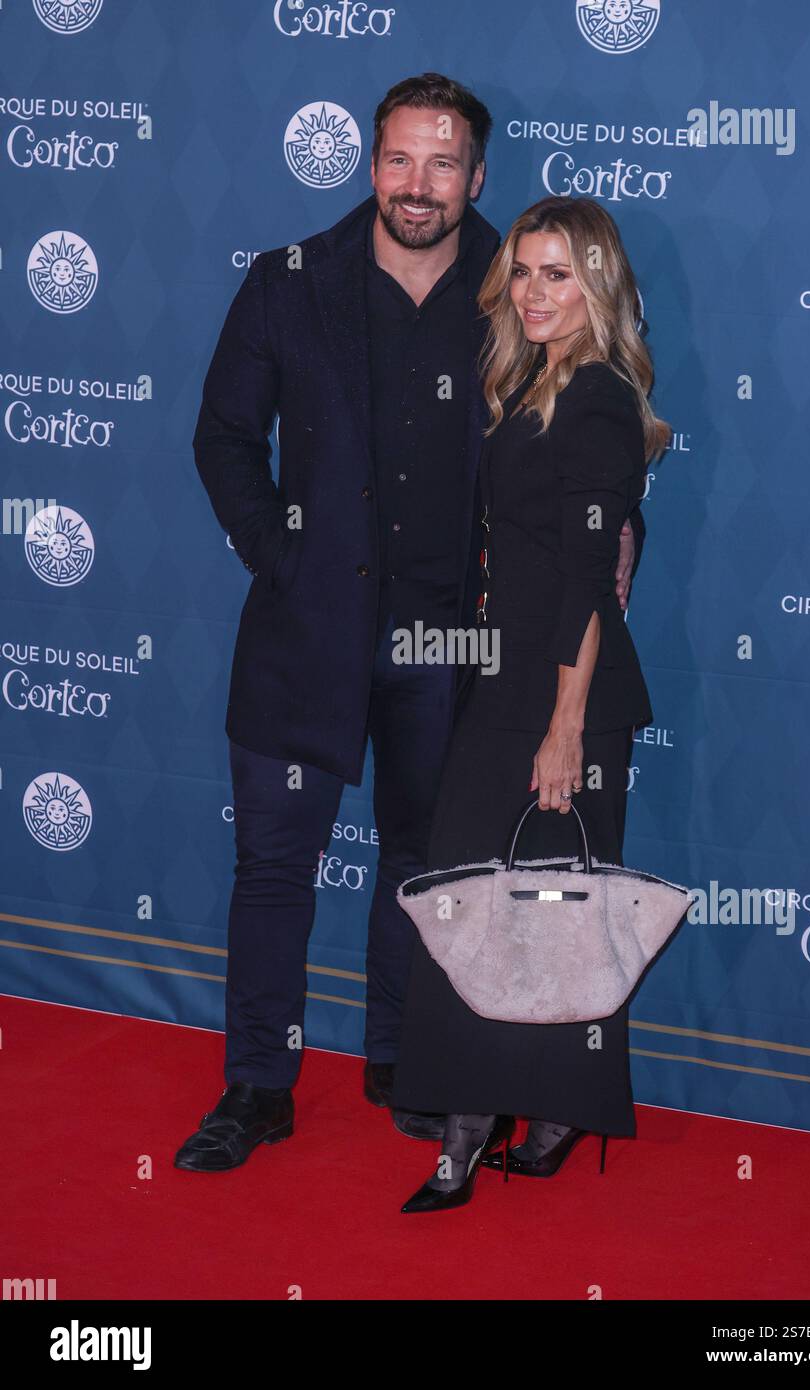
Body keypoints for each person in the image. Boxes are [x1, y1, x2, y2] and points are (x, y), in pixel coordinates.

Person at [176, 74, 644, 1173]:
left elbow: (584, 451)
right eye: (399, 159)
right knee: (275, 868)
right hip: (304, 634)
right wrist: (283, 556)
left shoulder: (521, 290)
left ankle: (403, 1064)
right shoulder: (290, 283)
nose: (419, 185)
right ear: (370, 163)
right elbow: (222, 439)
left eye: (444, 164)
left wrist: (612, 545)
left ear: (476, 176)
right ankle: (257, 1084)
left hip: (457, 648)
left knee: (423, 869)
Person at [392, 193, 671, 1213]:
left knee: (555, 913)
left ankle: (536, 1118)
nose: (535, 290)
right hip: (506, 679)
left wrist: (563, 730)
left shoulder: (592, 394)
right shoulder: (532, 382)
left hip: (566, 696)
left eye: (560, 272)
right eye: (523, 269)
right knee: (478, 903)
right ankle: (478, 1122)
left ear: (596, 286)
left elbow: (590, 579)